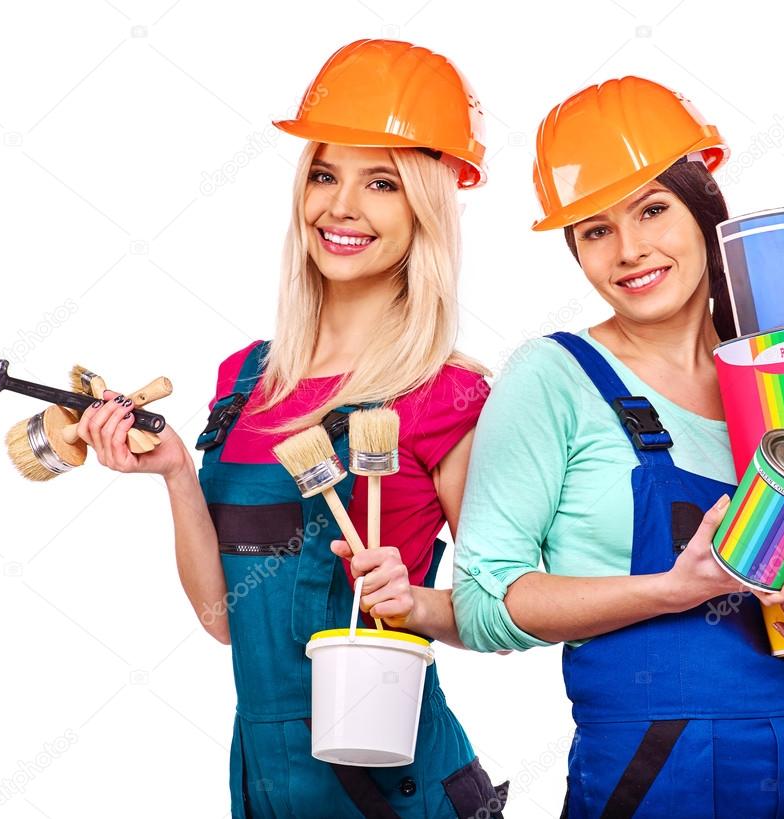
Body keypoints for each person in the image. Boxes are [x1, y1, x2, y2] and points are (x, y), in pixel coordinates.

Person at [445, 76, 784, 818]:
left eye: (651, 209)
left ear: (703, 211)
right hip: (655, 777)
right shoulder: (553, 377)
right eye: (595, 230)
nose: (629, 250)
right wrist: (672, 589)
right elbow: (483, 603)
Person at [77, 38, 507, 818]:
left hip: (397, 785)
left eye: (381, 182)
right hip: (265, 781)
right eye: (324, 174)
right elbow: (223, 621)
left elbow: (505, 613)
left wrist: (413, 601)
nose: (340, 206)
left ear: (426, 206)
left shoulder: (447, 394)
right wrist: (175, 472)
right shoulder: (245, 380)